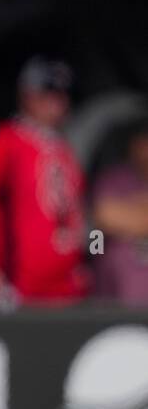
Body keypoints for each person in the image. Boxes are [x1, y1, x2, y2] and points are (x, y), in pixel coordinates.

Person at [0, 56, 89, 306]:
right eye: (48, 92)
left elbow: (79, 218)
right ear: (27, 94)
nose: (57, 101)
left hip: (70, 292)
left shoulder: (64, 149)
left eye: (63, 93)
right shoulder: (4, 138)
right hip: (21, 293)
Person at [91, 124, 148, 305]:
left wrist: (132, 212)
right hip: (117, 292)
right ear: (134, 146)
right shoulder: (114, 178)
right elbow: (106, 217)